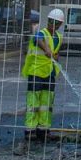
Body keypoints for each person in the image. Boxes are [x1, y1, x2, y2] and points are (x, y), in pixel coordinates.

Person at [22, 9, 64, 141]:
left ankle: (43, 129)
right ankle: (30, 130)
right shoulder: (41, 33)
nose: (53, 25)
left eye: (56, 23)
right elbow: (38, 40)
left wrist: (55, 56)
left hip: (50, 73)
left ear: (60, 25)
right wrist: (46, 49)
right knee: (33, 101)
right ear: (48, 21)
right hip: (36, 72)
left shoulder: (59, 37)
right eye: (52, 21)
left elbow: (56, 54)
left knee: (46, 103)